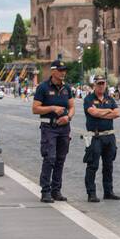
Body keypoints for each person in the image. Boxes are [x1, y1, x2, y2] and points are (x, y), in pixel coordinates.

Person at [32, 60, 74, 203]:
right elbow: (35, 108)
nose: (64, 72)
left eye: (65, 70)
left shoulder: (67, 88)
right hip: (49, 127)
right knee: (50, 158)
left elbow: (72, 107)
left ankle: (56, 191)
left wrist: (68, 117)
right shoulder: (43, 88)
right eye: (61, 70)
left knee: (60, 159)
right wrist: (52, 108)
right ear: (53, 71)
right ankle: (45, 191)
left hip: (64, 127)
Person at [82, 71, 120, 202]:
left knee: (108, 166)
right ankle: (91, 193)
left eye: (103, 83)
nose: (101, 86)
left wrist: (101, 112)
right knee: (93, 165)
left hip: (109, 136)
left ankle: (108, 192)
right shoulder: (88, 99)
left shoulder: (109, 98)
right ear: (94, 85)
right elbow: (92, 113)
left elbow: (117, 113)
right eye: (98, 84)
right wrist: (108, 111)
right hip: (95, 136)